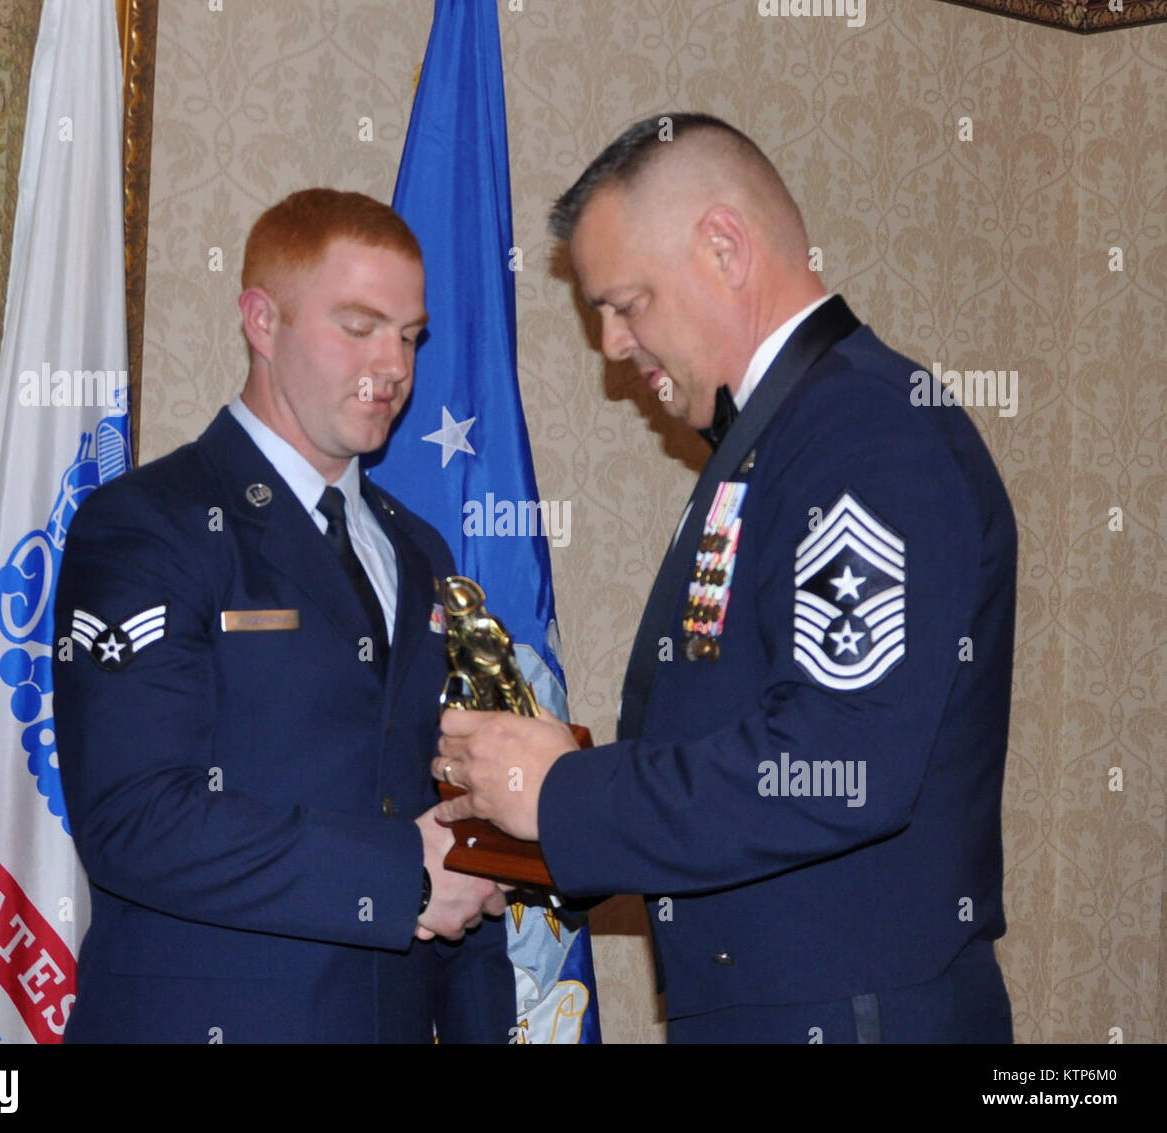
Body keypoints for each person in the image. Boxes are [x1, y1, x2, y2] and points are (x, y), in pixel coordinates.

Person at [435, 114, 1016, 1043]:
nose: (615, 345)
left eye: (627, 304)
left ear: (724, 248)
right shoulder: (782, 439)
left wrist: (567, 794)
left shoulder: (866, 436)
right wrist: (538, 809)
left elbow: (845, 764)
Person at [54, 188, 513, 1043]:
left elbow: (451, 820)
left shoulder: (421, 551)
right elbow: (136, 818)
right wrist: (400, 874)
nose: (395, 367)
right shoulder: (149, 524)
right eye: (359, 326)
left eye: (409, 335)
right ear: (263, 321)